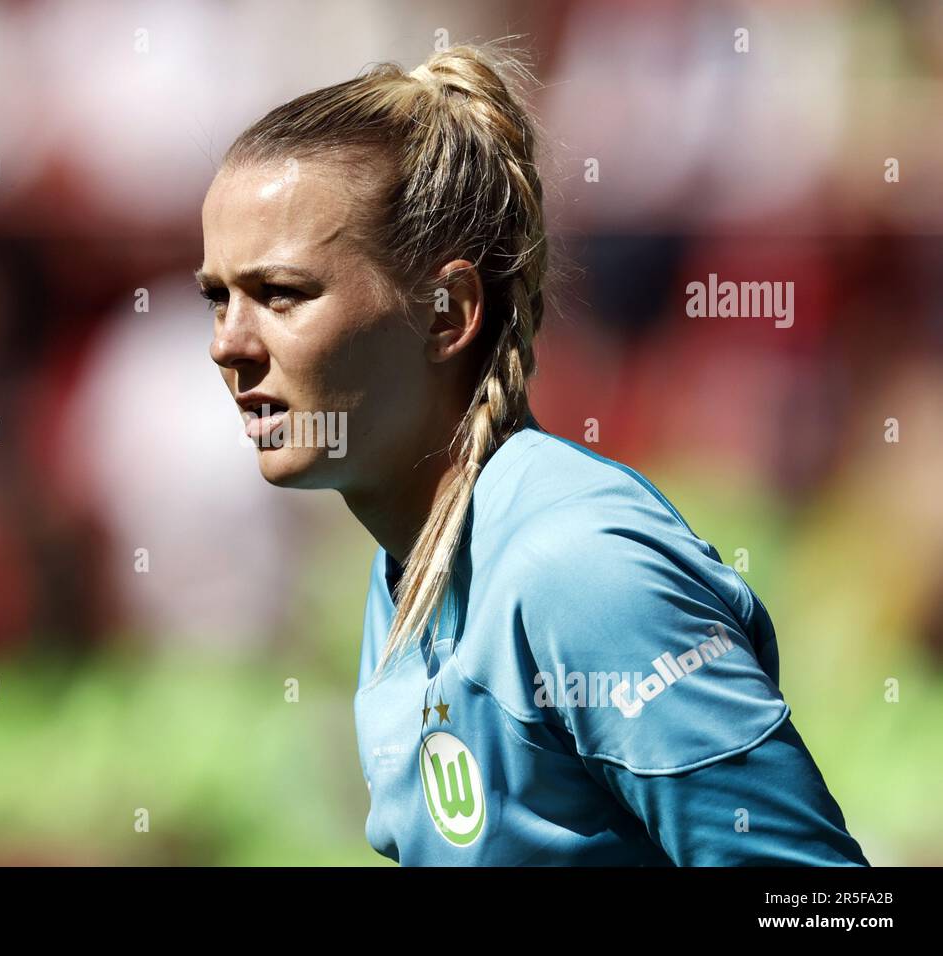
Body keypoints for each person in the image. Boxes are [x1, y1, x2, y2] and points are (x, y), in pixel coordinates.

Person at [197, 41, 869, 865]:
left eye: (280, 294)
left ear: (448, 313)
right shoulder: (405, 563)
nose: (228, 344)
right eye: (217, 298)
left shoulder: (577, 570)